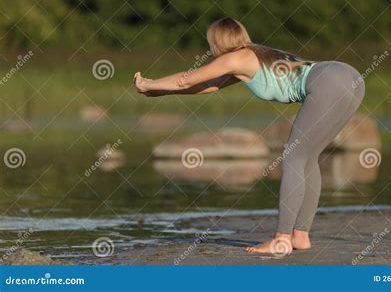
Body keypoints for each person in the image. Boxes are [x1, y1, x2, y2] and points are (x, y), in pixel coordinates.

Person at [134, 17, 365, 255]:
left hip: (329, 81)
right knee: (307, 158)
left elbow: (186, 79)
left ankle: (281, 239)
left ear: (216, 41)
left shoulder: (235, 57)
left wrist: (147, 84)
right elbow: (207, 86)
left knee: (292, 158)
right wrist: (160, 92)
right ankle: (300, 236)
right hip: (349, 77)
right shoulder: (248, 57)